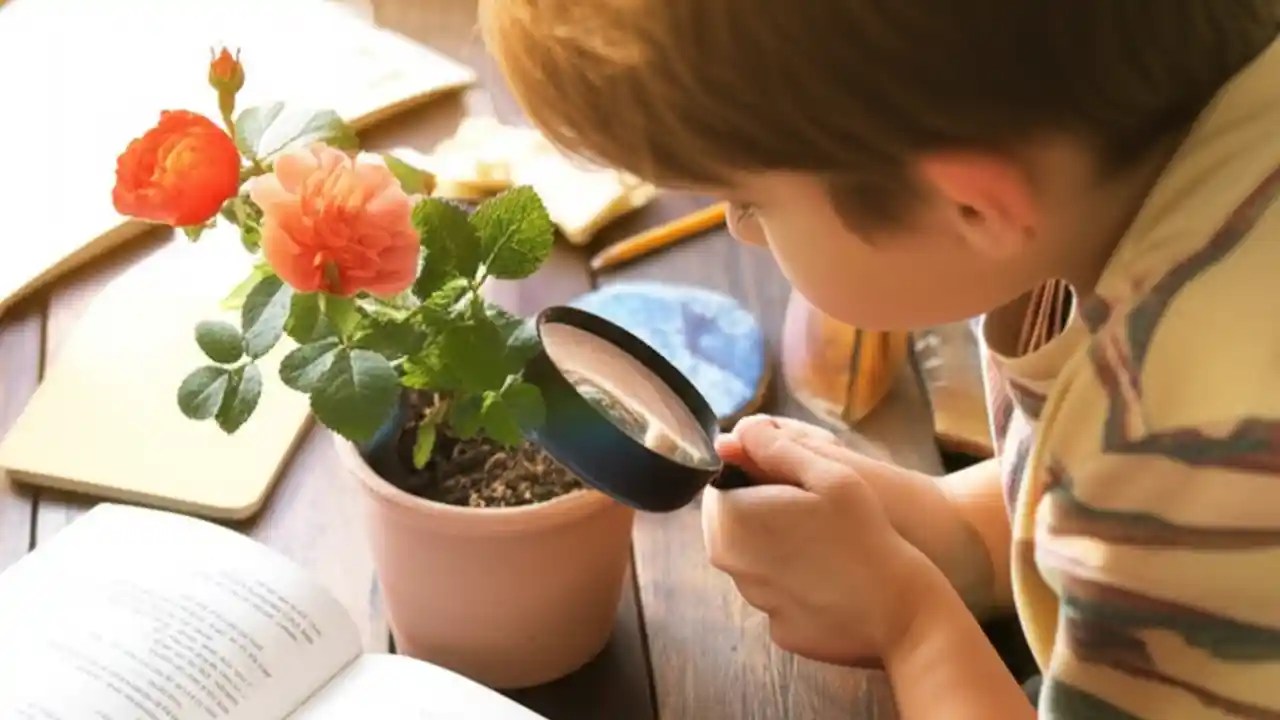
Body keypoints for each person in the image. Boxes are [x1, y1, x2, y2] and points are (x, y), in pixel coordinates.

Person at [477, 2, 1280, 717]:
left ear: (969, 205)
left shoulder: (1187, 436)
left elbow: (1150, 494)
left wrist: (909, 623)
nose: (740, 230)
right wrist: (951, 533)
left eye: (749, 201)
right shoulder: (1181, 155)